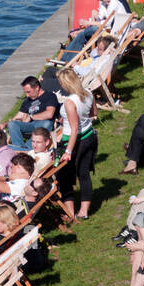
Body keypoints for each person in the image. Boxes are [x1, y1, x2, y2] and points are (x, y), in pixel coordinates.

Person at [55, 65, 98, 221]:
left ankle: (70, 211)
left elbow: (73, 130)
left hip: (74, 141)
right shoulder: (88, 93)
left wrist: (68, 151)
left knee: (64, 176)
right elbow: (94, 113)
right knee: (84, 174)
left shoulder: (69, 102)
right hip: (89, 136)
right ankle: (84, 211)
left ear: (65, 83)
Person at [7, 76, 58, 149]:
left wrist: (31, 117)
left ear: (37, 87)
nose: (27, 95)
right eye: (25, 92)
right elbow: (18, 117)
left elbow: (49, 114)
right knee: (12, 124)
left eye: (28, 92)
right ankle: (21, 149)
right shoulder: (28, 101)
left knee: (46, 123)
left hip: (43, 125)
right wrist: (5, 124)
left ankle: (24, 149)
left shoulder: (50, 96)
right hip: (30, 126)